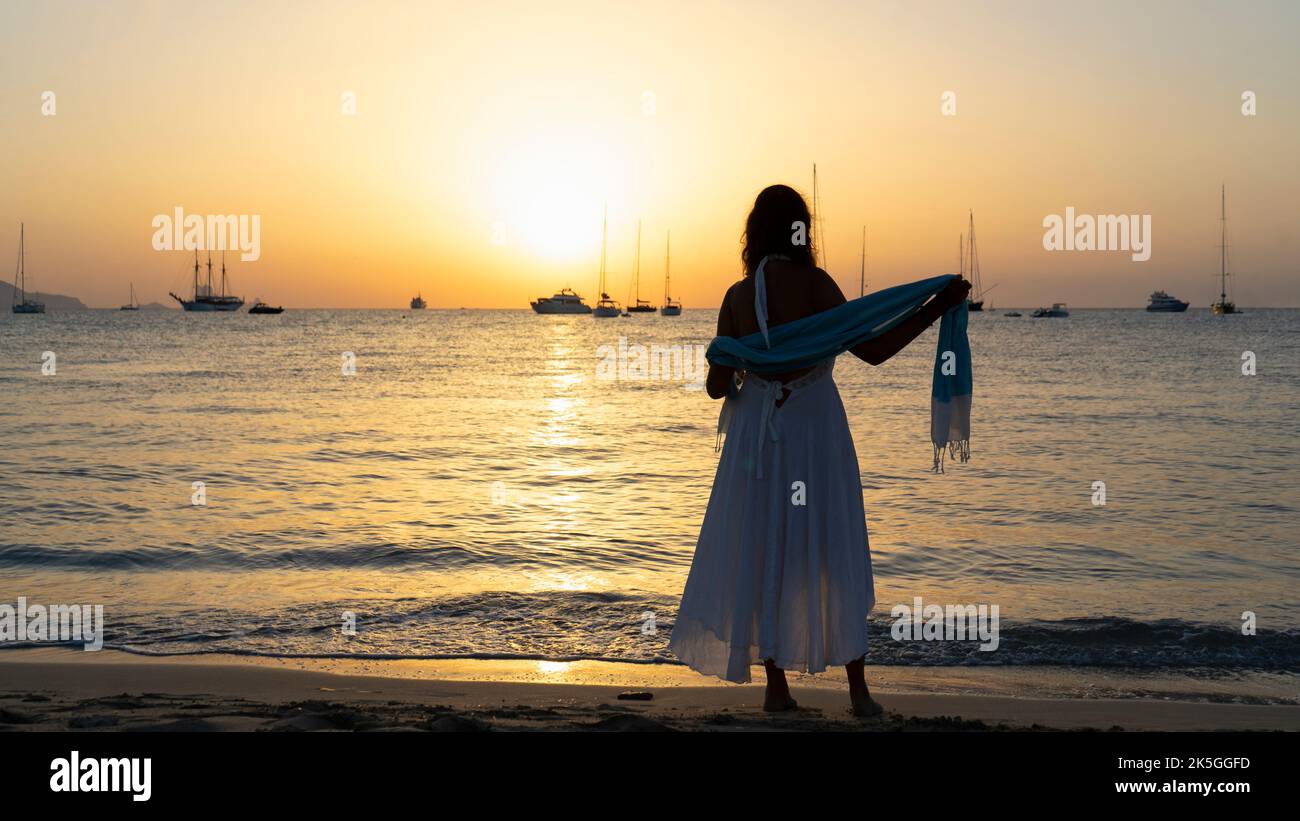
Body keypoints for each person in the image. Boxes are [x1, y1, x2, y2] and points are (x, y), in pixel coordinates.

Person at [667, 184, 970, 716]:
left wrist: (742, 359)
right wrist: (932, 307)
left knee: (765, 547)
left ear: (754, 233)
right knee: (830, 548)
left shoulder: (737, 298)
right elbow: (873, 350)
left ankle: (776, 689)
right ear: (801, 231)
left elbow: (717, 387)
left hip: (756, 440)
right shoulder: (813, 283)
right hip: (812, 433)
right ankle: (857, 692)